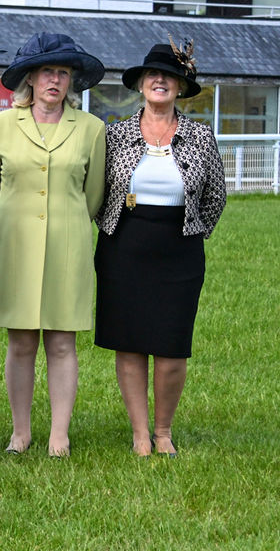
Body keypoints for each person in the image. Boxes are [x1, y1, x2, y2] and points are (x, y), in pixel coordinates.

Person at [94, 41, 226, 457]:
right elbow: (97, 194)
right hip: (123, 245)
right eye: (152, 74)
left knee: (171, 345)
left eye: (168, 75)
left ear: (180, 85)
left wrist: (190, 231)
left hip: (179, 248)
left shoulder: (201, 137)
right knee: (129, 341)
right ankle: (138, 434)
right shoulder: (114, 134)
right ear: (140, 84)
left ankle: (164, 431)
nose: (159, 80)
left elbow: (216, 197)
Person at [0, 33, 107, 457]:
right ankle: (21, 432)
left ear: (72, 81)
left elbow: (93, 196)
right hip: (12, 243)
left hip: (67, 246)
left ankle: (59, 435)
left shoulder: (91, 129)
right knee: (20, 341)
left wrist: (67, 226)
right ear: (30, 78)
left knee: (61, 342)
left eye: (64, 73)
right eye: (48, 71)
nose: (56, 80)